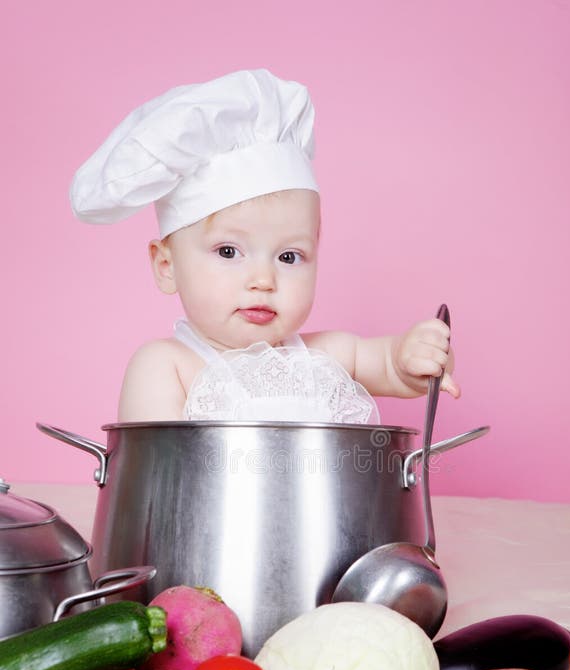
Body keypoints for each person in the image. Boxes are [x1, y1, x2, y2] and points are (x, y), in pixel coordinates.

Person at [70, 70, 459, 423]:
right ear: (166, 266)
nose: (263, 280)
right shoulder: (166, 366)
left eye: (289, 257)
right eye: (228, 252)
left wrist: (414, 359)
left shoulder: (324, 357)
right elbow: (155, 469)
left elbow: (392, 367)